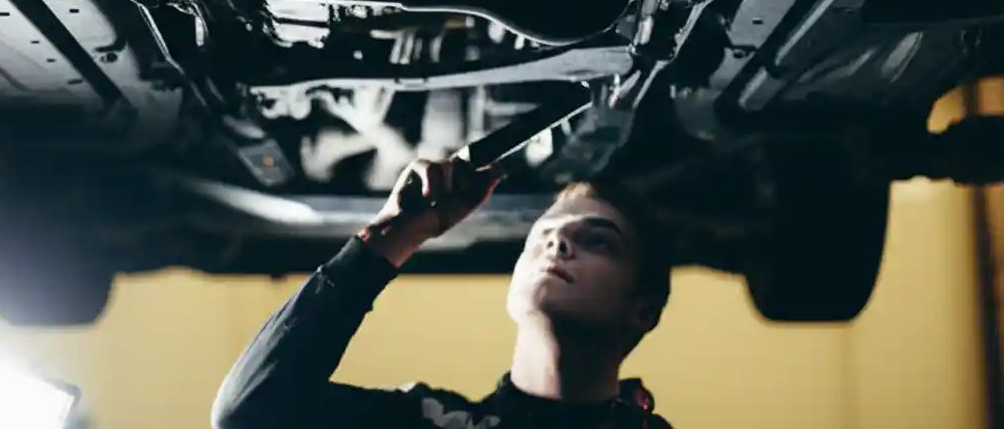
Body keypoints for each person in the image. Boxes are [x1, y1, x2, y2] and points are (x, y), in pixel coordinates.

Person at [211, 157, 674, 429]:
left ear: (643, 310)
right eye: (543, 234)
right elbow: (251, 412)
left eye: (598, 240)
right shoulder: (429, 420)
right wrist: (392, 234)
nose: (557, 243)